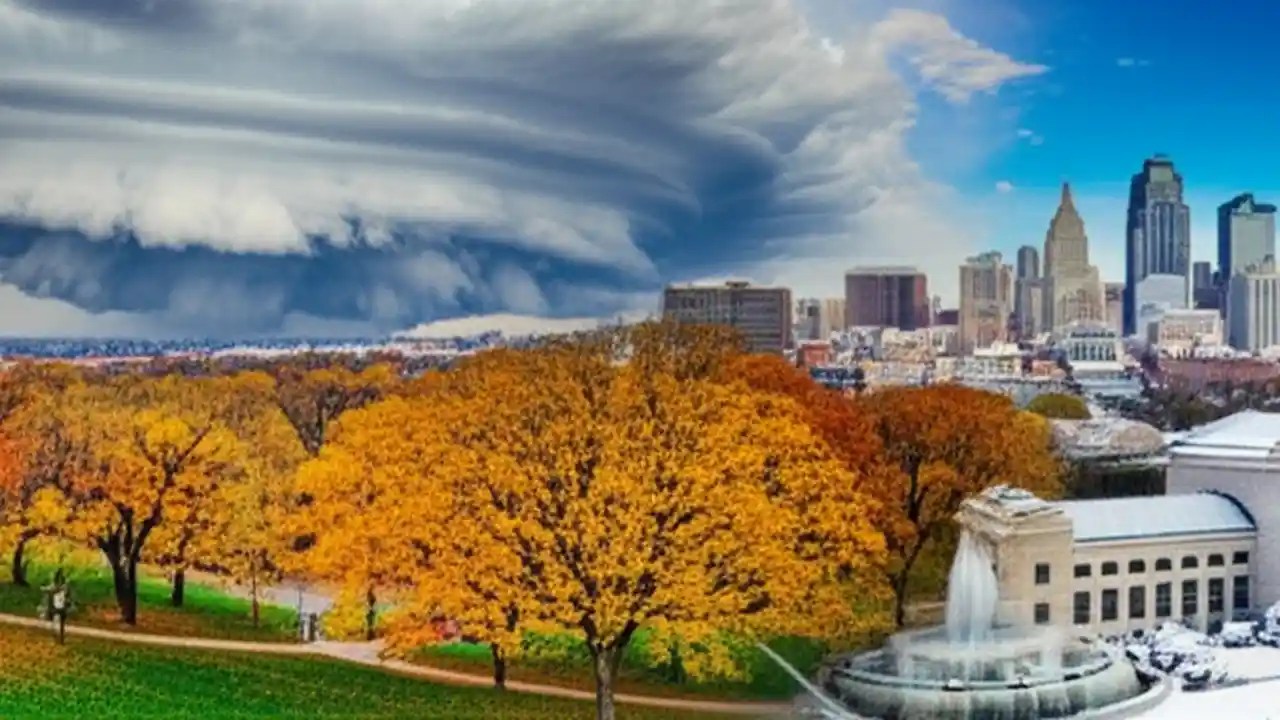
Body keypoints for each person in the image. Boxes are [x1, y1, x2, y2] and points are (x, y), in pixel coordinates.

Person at [41, 569, 72, 644]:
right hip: (60, 609)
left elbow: (47, 589)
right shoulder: (64, 587)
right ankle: (60, 639)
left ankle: (58, 639)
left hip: (57, 609)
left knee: (56, 625)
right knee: (58, 625)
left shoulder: (58, 587)